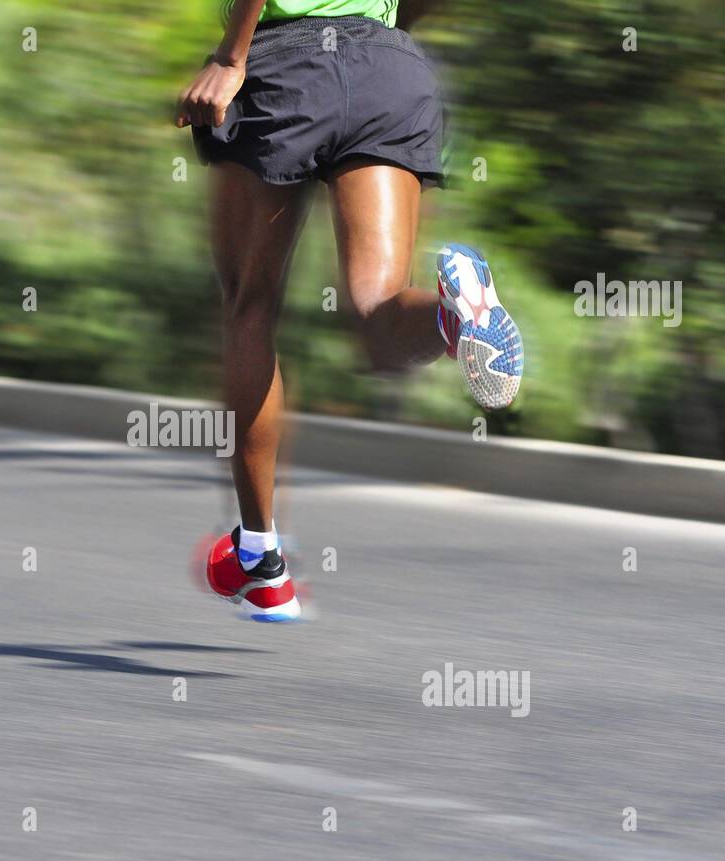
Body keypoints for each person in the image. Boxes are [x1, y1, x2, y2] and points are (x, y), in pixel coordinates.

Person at [176, 0, 523, 622]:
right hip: (390, 73)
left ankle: (259, 553)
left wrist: (231, 57)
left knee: (249, 306)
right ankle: (456, 316)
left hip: (283, 68)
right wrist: (383, 40)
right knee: (377, 316)